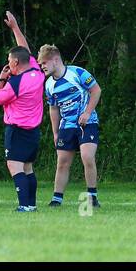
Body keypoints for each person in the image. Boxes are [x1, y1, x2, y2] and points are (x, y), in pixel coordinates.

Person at [0, 11, 47, 212]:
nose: (8, 63)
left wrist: (1, 79)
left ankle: (24, 206)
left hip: (16, 131)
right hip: (33, 131)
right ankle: (31, 205)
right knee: (27, 168)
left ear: (15, 63)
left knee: (15, 167)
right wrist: (15, 28)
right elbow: (24, 50)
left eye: (10, 61)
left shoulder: (15, 83)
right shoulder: (37, 72)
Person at [39, 44, 102, 208]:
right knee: (62, 162)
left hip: (87, 123)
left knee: (87, 157)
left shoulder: (77, 73)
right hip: (66, 126)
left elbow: (96, 90)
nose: (42, 67)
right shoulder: (49, 85)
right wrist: (55, 132)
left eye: (44, 63)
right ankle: (56, 199)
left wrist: (87, 113)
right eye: (41, 64)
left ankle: (92, 197)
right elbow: (53, 109)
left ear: (55, 59)